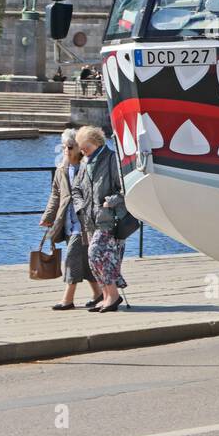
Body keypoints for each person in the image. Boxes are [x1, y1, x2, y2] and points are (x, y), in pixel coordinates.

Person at [40, 128, 102, 310]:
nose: (66, 149)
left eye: (70, 146)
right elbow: (55, 195)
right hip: (66, 222)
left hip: (85, 223)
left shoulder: (89, 166)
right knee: (84, 259)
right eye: (64, 146)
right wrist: (48, 217)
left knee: (72, 257)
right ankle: (98, 293)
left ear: (79, 147)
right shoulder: (61, 169)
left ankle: (67, 299)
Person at [73, 125, 130, 311]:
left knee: (96, 254)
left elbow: (125, 188)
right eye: (81, 148)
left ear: (97, 143)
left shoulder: (112, 159)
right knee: (96, 260)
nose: (83, 152)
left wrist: (110, 201)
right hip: (90, 219)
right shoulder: (84, 163)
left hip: (109, 219)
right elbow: (76, 189)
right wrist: (80, 207)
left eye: (86, 148)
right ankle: (107, 296)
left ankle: (113, 296)